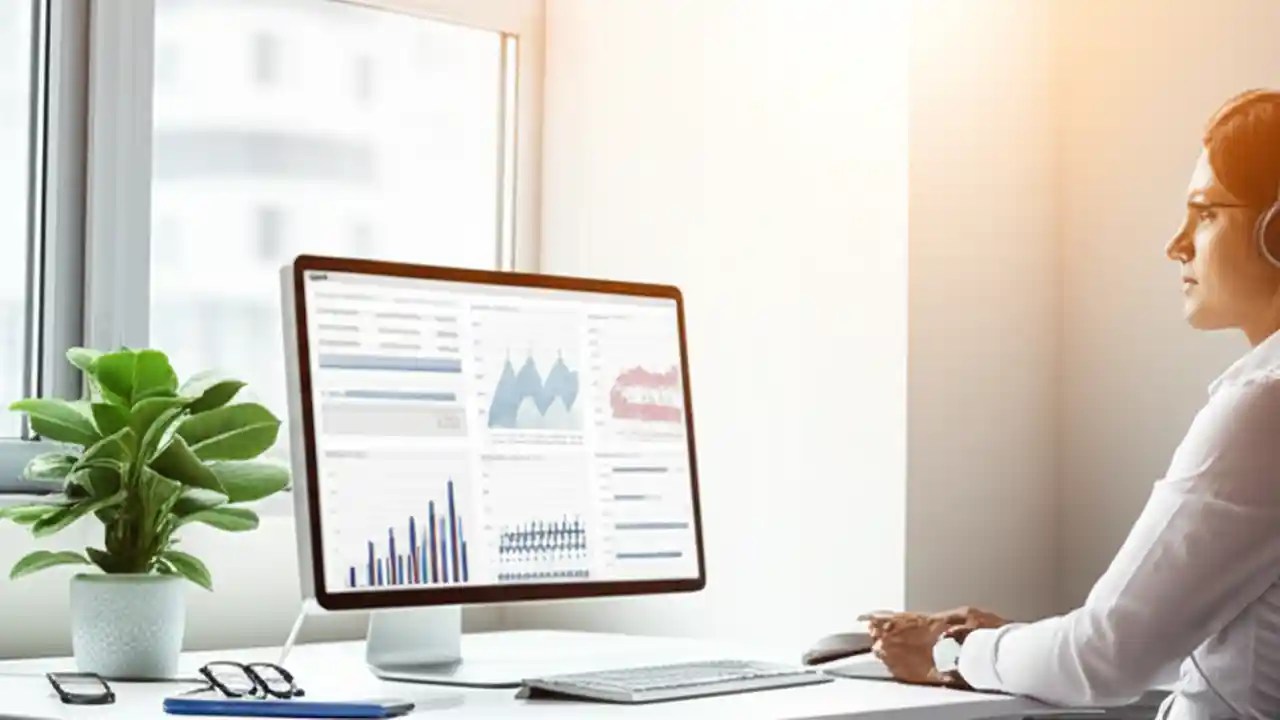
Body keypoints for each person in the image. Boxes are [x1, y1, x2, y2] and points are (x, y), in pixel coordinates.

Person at [866, 89, 1280, 720]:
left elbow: (1104, 660)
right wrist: (1008, 644)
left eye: (1205, 214)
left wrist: (954, 653)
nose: (1177, 243)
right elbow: (1169, 640)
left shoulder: (1262, 407)